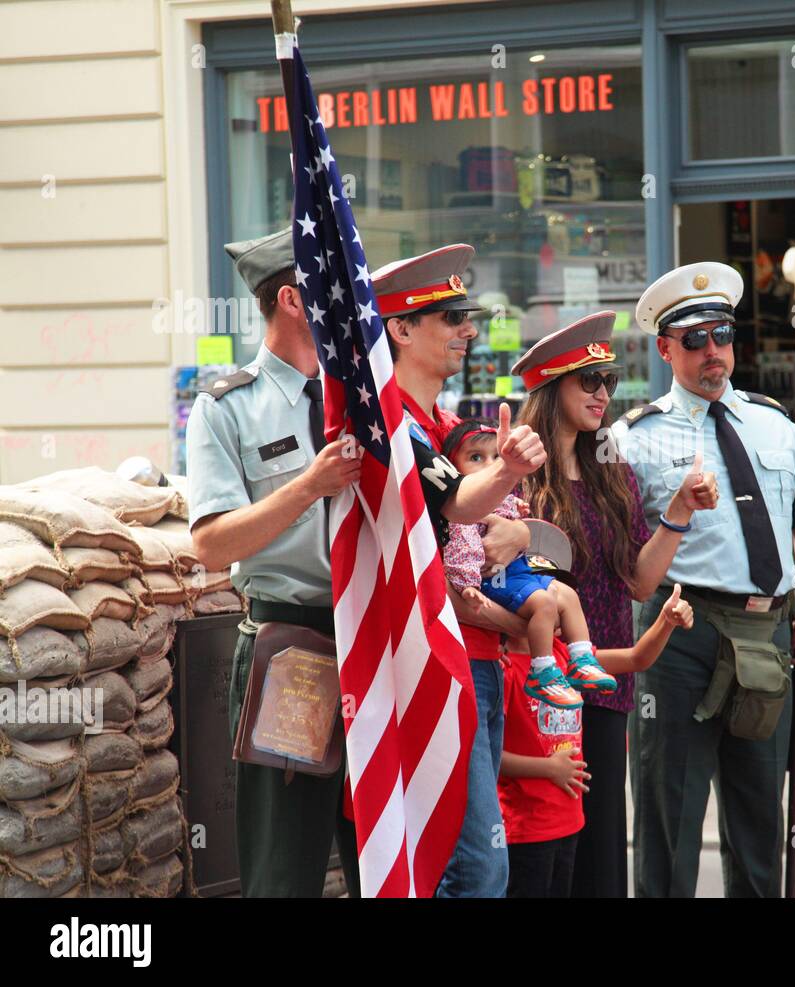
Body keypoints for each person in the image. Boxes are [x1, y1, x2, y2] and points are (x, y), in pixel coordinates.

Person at [612, 262, 795, 898]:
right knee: (668, 826)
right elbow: (626, 562)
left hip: (766, 634)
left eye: (722, 334)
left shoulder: (776, 424)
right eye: (694, 339)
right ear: (664, 349)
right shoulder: (634, 440)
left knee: (762, 826)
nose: (713, 351)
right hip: (680, 633)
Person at [513, 311, 718, 898]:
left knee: (602, 850)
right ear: (553, 388)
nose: (604, 393)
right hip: (538, 688)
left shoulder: (613, 472)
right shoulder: (519, 475)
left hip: (604, 685)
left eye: (610, 380)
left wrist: (678, 511)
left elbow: (638, 583)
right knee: (544, 851)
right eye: (589, 381)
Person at [187, 227, 362, 897]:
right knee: (285, 861)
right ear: (293, 299)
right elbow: (210, 544)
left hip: (371, 635)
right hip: (294, 645)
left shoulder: (364, 401)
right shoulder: (228, 406)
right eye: (330, 288)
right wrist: (307, 486)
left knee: (378, 848)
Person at [372, 244, 545, 898]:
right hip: (434, 663)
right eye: (450, 317)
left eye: (466, 315)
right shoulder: (393, 422)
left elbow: (510, 530)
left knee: (464, 858)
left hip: (477, 661)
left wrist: (520, 526)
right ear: (402, 327)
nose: (469, 330)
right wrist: (505, 471)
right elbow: (459, 502)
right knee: (476, 867)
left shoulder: (443, 422)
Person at [499, 584, 696, 898]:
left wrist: (666, 621)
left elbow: (636, 659)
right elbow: (488, 758)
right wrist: (548, 769)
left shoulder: (565, 655)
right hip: (524, 832)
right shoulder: (503, 669)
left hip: (569, 825)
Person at [439, 418, 617, 709]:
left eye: (496, 457)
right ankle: (542, 669)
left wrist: (518, 516)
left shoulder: (500, 497)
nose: (489, 465)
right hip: (494, 578)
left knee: (569, 595)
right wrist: (468, 583)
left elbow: (516, 520)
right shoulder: (464, 508)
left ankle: (582, 657)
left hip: (518, 571)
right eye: (475, 458)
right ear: (453, 468)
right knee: (545, 604)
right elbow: (465, 547)